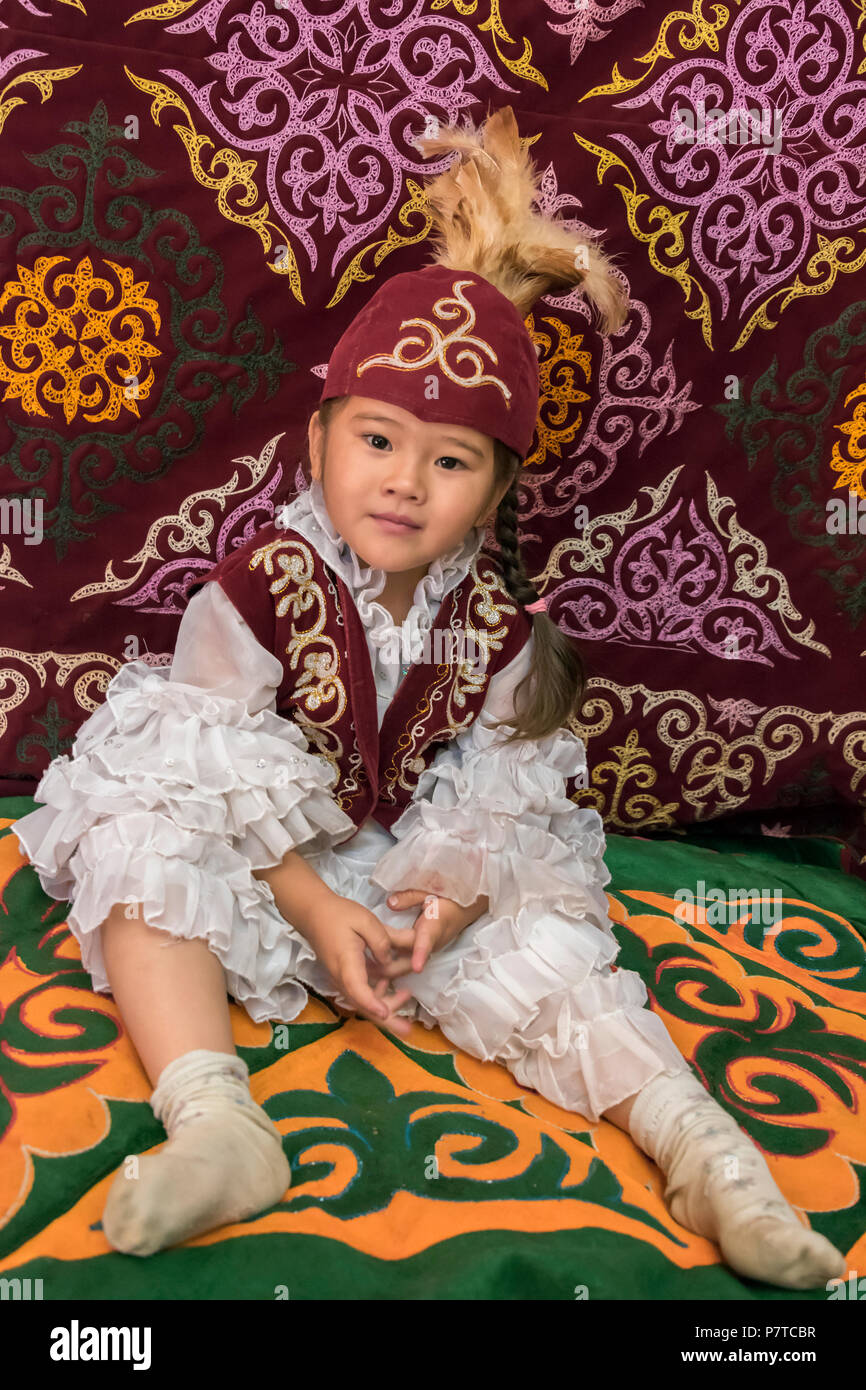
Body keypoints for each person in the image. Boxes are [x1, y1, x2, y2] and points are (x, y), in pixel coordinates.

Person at [13, 107, 845, 1290]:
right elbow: (190, 762)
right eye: (378, 439)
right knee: (138, 843)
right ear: (318, 440)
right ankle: (218, 1122)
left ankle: (701, 1146)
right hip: (268, 876)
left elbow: (500, 789)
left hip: (394, 882)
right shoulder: (256, 592)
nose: (404, 482)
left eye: (449, 459)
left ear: (497, 485)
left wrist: (434, 910)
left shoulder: (499, 634)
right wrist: (307, 904)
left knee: (547, 939)